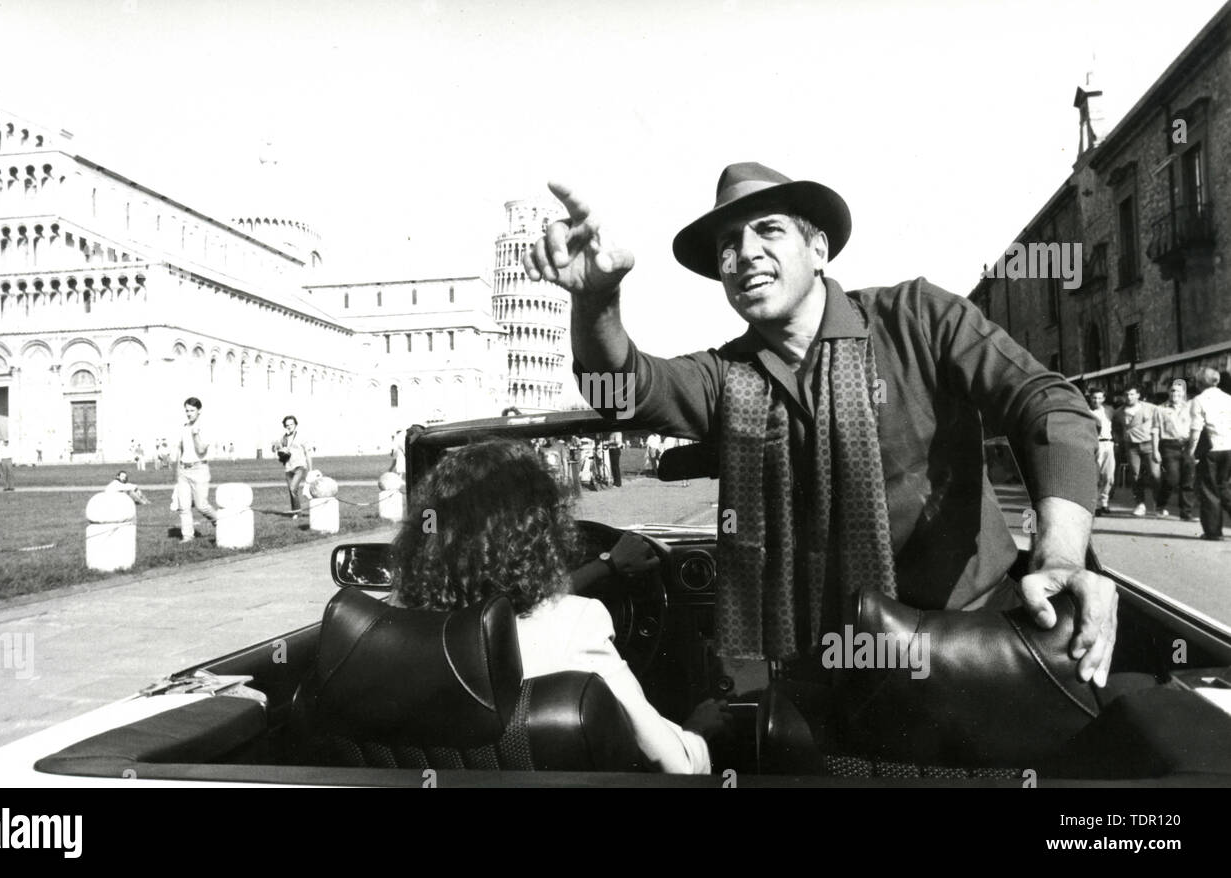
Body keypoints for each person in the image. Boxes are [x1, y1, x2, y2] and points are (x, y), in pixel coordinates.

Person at [524, 166, 1116, 686]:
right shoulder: (726, 374)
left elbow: (1050, 406)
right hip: (824, 668)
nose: (746, 253)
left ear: (819, 251)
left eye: (769, 230)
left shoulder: (917, 317)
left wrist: (1060, 558)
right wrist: (597, 300)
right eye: (729, 244)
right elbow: (625, 393)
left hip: (971, 644)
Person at [390, 439, 729, 773]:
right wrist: (696, 730)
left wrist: (604, 566)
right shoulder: (576, 622)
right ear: (538, 533)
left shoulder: (394, 628)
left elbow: (503, 601)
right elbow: (677, 766)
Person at [1187, 368, 1231, 541]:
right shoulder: (1228, 399)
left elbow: (1196, 429)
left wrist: (1191, 452)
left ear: (1200, 383)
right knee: (1224, 486)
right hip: (1229, 448)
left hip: (1210, 449)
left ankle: (1213, 532)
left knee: (1208, 490)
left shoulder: (1199, 400)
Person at [174, 396, 218, 542]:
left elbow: (200, 449)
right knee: (183, 507)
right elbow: (181, 449)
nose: (189, 413)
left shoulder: (205, 427)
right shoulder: (184, 427)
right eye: (186, 410)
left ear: (199, 411)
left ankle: (220, 521)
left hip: (199, 469)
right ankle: (187, 537)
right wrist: (178, 471)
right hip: (183, 470)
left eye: (192, 410)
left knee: (201, 506)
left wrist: (195, 433)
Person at [1152, 378, 1195, 520]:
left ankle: (1186, 513)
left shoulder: (1190, 407)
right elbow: (1155, 430)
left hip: (1187, 445)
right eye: (1172, 390)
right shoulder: (1160, 409)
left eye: (1177, 390)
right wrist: (1155, 450)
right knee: (1172, 478)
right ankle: (1160, 505)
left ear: (1183, 392)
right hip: (1169, 446)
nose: (1174, 393)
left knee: (1188, 480)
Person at [1114, 386, 1160, 516]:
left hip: (1149, 444)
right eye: (1127, 394)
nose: (1129, 397)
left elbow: (1160, 422)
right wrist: (1119, 439)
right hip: (1131, 447)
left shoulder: (1151, 408)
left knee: (1155, 474)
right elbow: (1116, 428)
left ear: (1138, 395)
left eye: (1132, 394)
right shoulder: (1119, 412)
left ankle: (1159, 503)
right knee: (1135, 475)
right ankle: (1140, 504)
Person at [272, 415, 312, 517]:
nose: (289, 426)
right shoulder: (283, 438)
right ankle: (296, 512)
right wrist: (278, 449)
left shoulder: (301, 436)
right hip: (288, 467)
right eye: (287, 425)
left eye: (291, 424)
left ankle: (296, 513)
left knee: (293, 488)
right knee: (291, 490)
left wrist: (310, 469)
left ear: (295, 424)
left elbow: (307, 453)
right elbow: (276, 450)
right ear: (284, 426)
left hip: (299, 466)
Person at [1085, 388, 1115, 516]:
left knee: (1108, 476)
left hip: (1108, 443)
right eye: (1094, 398)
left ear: (1103, 399)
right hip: (1093, 444)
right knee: (1095, 476)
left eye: (1099, 398)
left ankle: (1104, 502)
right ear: (1090, 398)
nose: (1096, 400)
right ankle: (1095, 504)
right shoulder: (1086, 411)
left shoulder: (1109, 410)